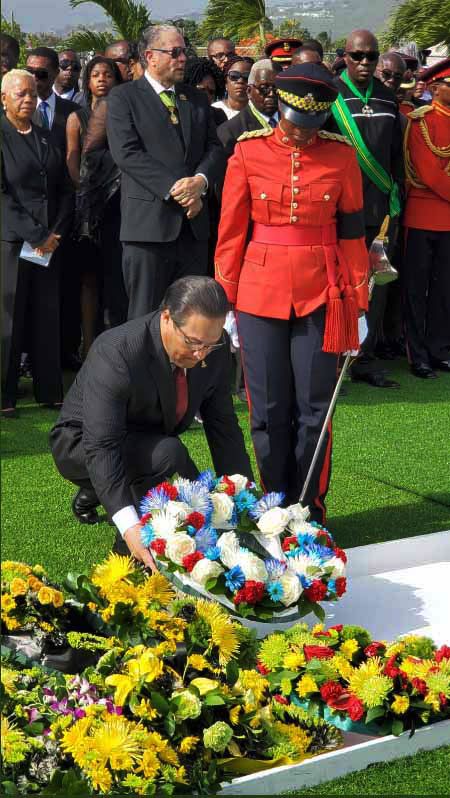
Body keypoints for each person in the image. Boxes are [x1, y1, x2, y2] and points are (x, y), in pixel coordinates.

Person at [215, 64, 369, 522]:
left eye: (312, 126)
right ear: (280, 108)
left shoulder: (341, 157)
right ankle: (272, 507)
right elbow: (230, 232)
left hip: (323, 293)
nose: (302, 136)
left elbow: (352, 233)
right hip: (258, 294)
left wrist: (358, 301)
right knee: (267, 410)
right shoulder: (247, 153)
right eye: (295, 124)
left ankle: (310, 508)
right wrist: (225, 299)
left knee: (315, 408)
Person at [49, 275, 253, 565]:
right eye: (193, 342)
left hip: (150, 437)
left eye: (210, 344)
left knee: (172, 460)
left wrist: (244, 497)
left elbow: (224, 427)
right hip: (83, 442)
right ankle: (128, 558)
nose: (200, 354)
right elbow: (102, 447)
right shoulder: (116, 351)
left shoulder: (212, 348)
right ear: (167, 317)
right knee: (168, 457)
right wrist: (130, 527)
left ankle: (101, 489)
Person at [107, 24, 225, 319]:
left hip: (193, 229)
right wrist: (180, 191)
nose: (183, 58)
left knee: (191, 317)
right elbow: (127, 154)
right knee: (147, 318)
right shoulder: (124, 98)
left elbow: (214, 148)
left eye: (184, 51)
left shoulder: (196, 98)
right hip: (148, 229)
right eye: (175, 52)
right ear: (150, 56)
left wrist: (200, 181)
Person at [326, 30, 404, 388]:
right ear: (345, 56)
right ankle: (335, 352)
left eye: (371, 56)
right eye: (357, 56)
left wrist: (397, 200)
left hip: (381, 214)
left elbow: (394, 158)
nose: (365, 63)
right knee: (339, 285)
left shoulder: (389, 99)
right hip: (338, 211)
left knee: (375, 287)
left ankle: (365, 357)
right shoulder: (330, 96)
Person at [1, 70, 74, 418]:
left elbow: (63, 188)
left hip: (50, 242)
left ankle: (49, 390)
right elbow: (3, 197)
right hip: (14, 241)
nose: (28, 99)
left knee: (47, 314)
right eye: (20, 94)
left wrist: (55, 232)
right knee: (9, 319)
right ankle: (5, 395)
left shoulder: (46, 136)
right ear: (4, 98)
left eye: (31, 93)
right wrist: (37, 235)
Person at [26, 47, 80, 372]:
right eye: (30, 72)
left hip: (63, 217)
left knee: (64, 291)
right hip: (26, 222)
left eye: (42, 73)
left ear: (55, 74)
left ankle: (63, 353)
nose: (35, 79)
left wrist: (58, 226)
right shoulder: (12, 113)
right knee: (27, 295)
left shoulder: (72, 112)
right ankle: (27, 356)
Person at [66, 56, 123, 358]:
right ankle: (88, 348)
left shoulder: (124, 113)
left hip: (120, 209)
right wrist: (89, 193)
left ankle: (116, 348)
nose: (102, 79)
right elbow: (73, 162)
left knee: (116, 281)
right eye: (96, 74)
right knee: (89, 281)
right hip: (89, 209)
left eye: (108, 74)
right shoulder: (77, 118)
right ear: (87, 81)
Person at [402, 58, 450, 378]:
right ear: (434, 88)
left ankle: (440, 349)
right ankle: (417, 354)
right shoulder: (420, 120)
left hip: (447, 218)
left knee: (444, 289)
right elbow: (429, 172)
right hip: (422, 215)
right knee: (417, 290)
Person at [217, 59, 278, 159]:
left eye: (277, 88)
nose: (271, 94)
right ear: (249, 91)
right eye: (264, 88)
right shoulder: (229, 131)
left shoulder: (291, 121)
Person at [184, 56, 227, 126]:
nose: (206, 96)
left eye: (211, 92)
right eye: (201, 90)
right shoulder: (178, 115)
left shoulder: (218, 116)